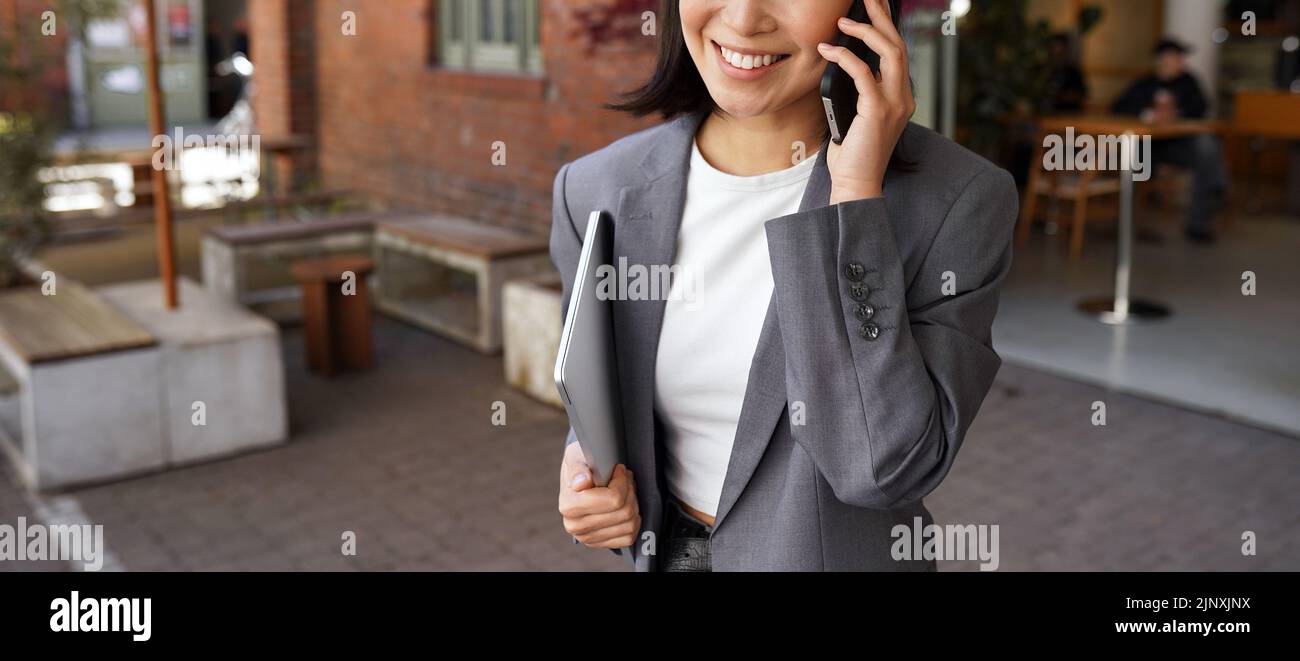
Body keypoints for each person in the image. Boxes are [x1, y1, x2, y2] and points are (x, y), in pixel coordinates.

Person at [551, 0, 1018, 571]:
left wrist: (854, 201)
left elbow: (883, 468)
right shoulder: (594, 189)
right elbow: (593, 393)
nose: (745, 19)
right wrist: (584, 468)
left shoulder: (958, 201)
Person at [1112, 38, 1229, 243]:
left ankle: (1198, 223)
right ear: (1162, 61)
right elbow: (1118, 107)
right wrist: (1147, 114)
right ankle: (1128, 224)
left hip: (1176, 145)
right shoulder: (1144, 83)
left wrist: (1177, 114)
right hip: (1146, 147)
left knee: (1207, 148)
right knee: (1132, 159)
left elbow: (1201, 109)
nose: (1180, 63)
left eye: (1180, 59)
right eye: (1175, 59)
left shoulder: (1189, 81)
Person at [1047, 32, 1088, 113]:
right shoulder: (1046, 70)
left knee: (1069, 125)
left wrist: (1066, 96)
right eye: (1054, 46)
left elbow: (1082, 94)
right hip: (1049, 114)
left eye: (1059, 46)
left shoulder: (1073, 71)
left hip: (1071, 115)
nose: (1057, 50)